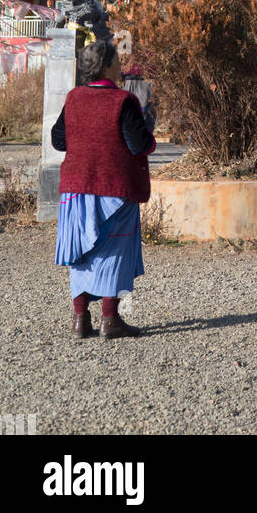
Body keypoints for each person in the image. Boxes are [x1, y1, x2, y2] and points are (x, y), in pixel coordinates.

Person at [52, 38, 156, 340]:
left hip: (75, 187)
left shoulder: (73, 98)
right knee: (114, 249)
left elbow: (59, 140)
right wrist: (149, 136)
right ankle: (110, 319)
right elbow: (139, 144)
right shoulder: (122, 101)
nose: (120, 66)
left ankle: (80, 319)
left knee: (80, 252)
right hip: (113, 187)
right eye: (116, 61)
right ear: (106, 66)